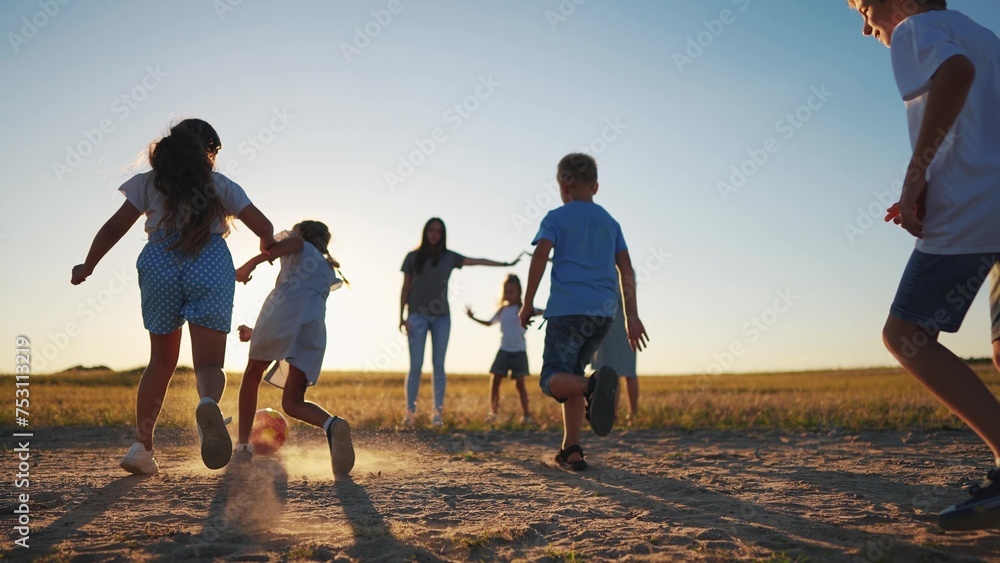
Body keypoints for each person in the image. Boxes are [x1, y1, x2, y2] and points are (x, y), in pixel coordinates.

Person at [848, 0, 1000, 530]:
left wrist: (917, 172)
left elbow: (955, 74)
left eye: (867, 9)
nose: (867, 29)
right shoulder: (983, 34)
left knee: (905, 332)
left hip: (975, 213)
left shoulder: (916, 28)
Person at [71, 118, 276, 475]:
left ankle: (141, 448)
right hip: (208, 263)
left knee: (161, 363)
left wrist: (87, 265)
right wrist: (263, 249)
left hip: (158, 265)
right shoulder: (219, 185)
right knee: (209, 365)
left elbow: (114, 227)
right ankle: (207, 405)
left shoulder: (148, 183)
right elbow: (264, 226)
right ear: (208, 152)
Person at [519, 153, 648, 471]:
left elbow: (540, 257)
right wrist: (631, 315)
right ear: (596, 186)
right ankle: (571, 449)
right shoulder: (610, 222)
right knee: (571, 376)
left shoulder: (555, 217)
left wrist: (526, 302)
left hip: (567, 312)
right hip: (604, 314)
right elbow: (627, 271)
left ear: (563, 185)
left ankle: (593, 387)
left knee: (551, 379)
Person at [232, 220, 354, 477]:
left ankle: (243, 447)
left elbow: (271, 252)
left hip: (280, 317)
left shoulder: (299, 243)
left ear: (302, 233)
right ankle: (332, 424)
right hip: (313, 330)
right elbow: (301, 313)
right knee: (293, 402)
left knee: (253, 375)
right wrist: (258, 334)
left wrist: (248, 265)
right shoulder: (325, 267)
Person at [399, 217, 519, 427]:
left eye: (439, 231)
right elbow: (405, 287)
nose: (435, 234)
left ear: (443, 235)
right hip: (416, 316)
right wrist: (401, 316)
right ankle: (410, 413)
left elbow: (478, 261)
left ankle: (437, 414)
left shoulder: (449, 257)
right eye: (432, 230)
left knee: (438, 365)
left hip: (442, 317)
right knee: (416, 365)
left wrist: (505, 264)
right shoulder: (412, 257)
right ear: (426, 232)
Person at [465, 274, 542, 425]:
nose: (508, 295)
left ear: (519, 292)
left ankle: (526, 416)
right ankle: (493, 413)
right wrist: (473, 317)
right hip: (504, 350)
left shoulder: (524, 308)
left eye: (511, 292)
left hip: (519, 351)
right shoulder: (502, 311)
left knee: (520, 384)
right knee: (495, 381)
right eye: (506, 292)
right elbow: (489, 323)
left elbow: (543, 311)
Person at [592, 297, 639, 424]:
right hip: (625, 322)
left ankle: (614, 414)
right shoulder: (628, 279)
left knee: (614, 370)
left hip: (612, 322)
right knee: (627, 370)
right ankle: (631, 414)